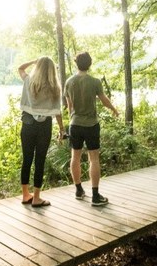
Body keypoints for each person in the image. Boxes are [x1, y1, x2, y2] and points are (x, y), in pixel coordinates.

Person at [64, 51, 119, 206]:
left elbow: (69, 107)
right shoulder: (95, 82)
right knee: (93, 159)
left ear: (76, 63)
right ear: (90, 64)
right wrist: (114, 109)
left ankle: (79, 190)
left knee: (75, 157)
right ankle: (95, 196)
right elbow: (104, 100)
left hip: (75, 124)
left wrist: (72, 118)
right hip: (91, 125)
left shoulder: (69, 82)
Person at [17, 57, 65, 208]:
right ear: (52, 70)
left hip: (28, 124)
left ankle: (25, 195)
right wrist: (62, 129)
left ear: (38, 67)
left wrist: (32, 61)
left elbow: (20, 69)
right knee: (40, 161)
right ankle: (36, 197)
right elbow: (57, 112)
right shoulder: (54, 87)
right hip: (44, 127)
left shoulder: (29, 81)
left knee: (27, 159)